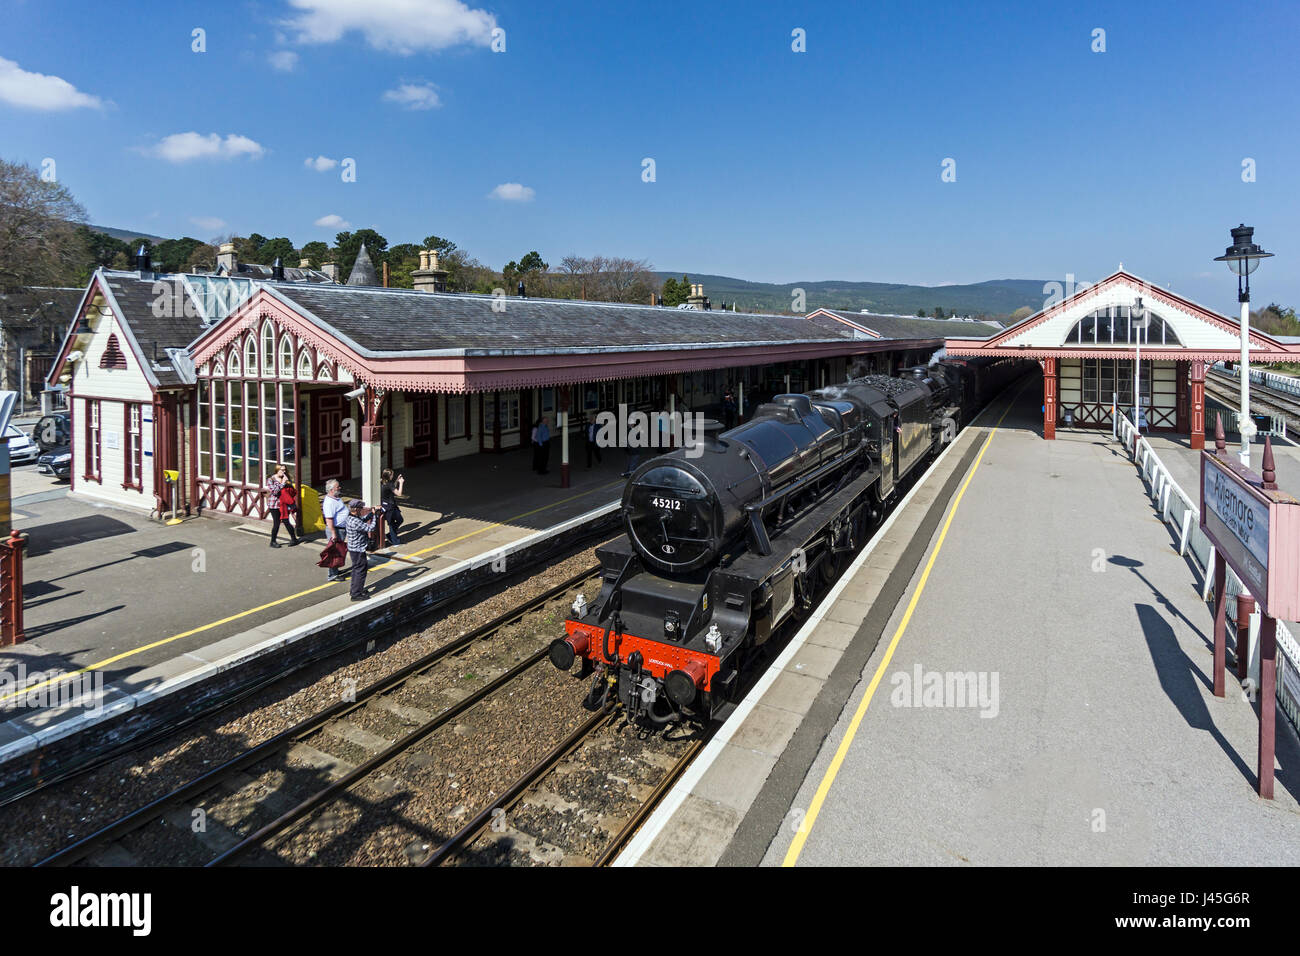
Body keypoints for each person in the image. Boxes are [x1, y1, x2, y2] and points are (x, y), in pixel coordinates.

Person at [344, 499, 377, 601]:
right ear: (356, 509)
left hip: (354, 549)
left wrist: (370, 514)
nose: (362, 509)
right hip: (358, 550)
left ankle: (355, 589)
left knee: (356, 570)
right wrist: (375, 516)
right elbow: (370, 528)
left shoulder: (351, 518)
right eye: (361, 508)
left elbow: (362, 520)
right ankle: (356, 594)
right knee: (360, 571)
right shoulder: (355, 521)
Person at [321, 478, 349, 582]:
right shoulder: (329, 502)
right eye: (338, 487)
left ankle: (335, 570)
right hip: (336, 530)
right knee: (334, 552)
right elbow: (329, 519)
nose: (340, 488)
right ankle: (332, 575)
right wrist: (333, 533)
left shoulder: (336, 498)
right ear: (332, 489)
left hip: (340, 529)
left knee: (339, 551)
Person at [380, 468, 405, 547]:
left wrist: (397, 480)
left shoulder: (383, 482)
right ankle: (395, 542)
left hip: (387, 505)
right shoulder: (389, 484)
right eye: (392, 475)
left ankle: (390, 535)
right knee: (392, 524)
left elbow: (391, 488)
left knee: (400, 520)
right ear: (388, 476)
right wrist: (401, 483)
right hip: (390, 507)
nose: (393, 476)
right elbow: (399, 493)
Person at [276, 468, 300, 547]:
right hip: (286, 506)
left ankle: (294, 539)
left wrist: (291, 504)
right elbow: (293, 493)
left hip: (284, 507)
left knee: (286, 522)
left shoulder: (284, 488)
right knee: (286, 522)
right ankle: (293, 538)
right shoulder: (289, 486)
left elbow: (286, 498)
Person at [266, 465, 289, 548]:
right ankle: (273, 541)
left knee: (286, 521)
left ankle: (294, 539)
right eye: (282, 470)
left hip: (283, 503)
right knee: (277, 523)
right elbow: (274, 491)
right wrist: (283, 483)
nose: (284, 472)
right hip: (274, 504)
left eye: (285, 470)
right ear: (277, 470)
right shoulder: (270, 479)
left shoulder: (285, 478)